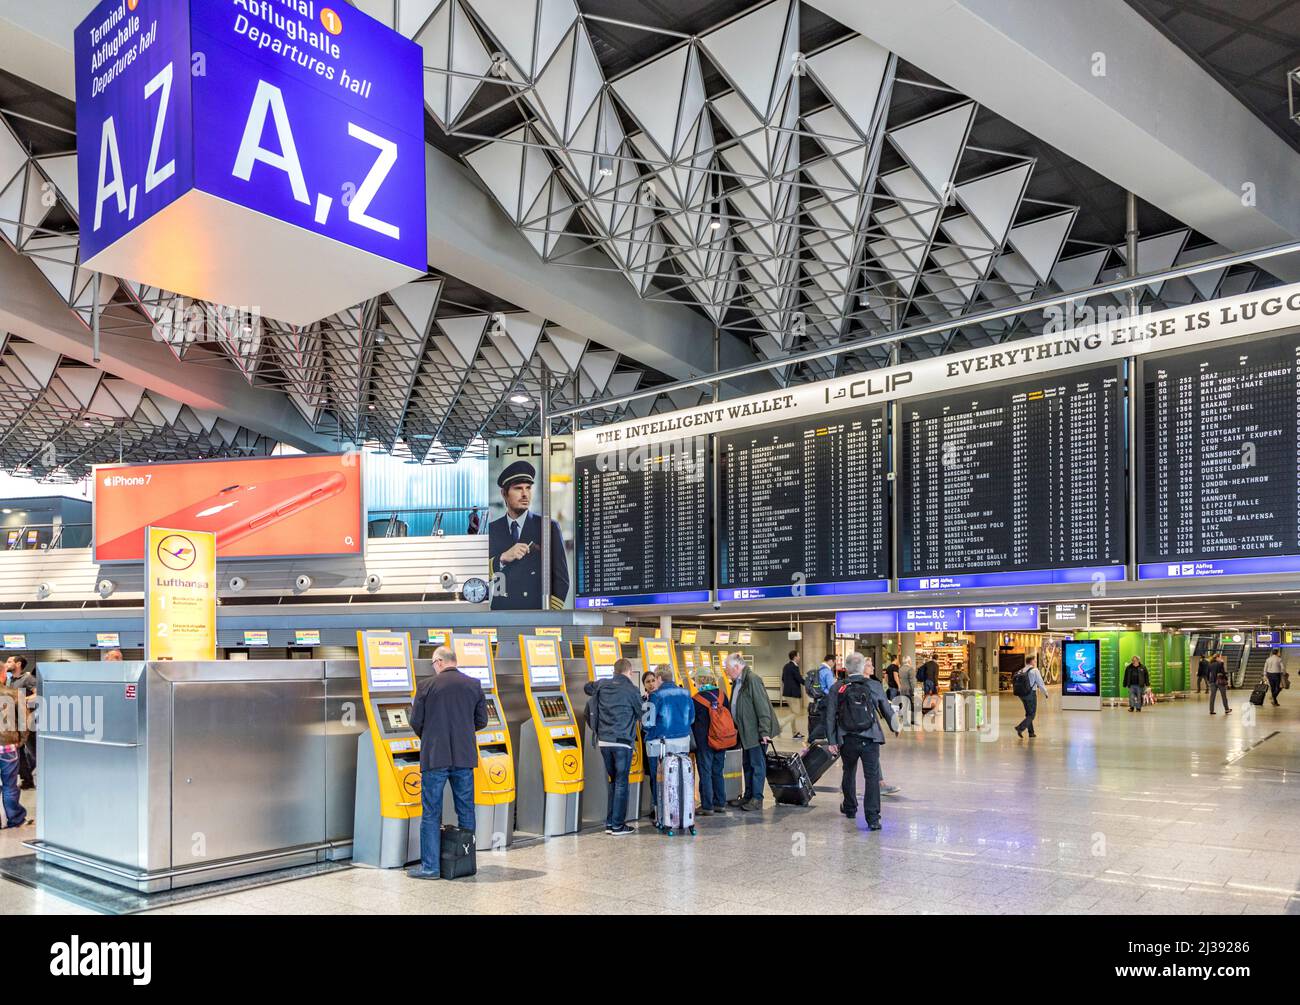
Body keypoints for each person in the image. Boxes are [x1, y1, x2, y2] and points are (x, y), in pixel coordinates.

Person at [407, 645, 487, 879]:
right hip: (464, 756)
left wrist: (431, 736)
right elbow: (481, 720)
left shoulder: (426, 686)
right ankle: (466, 863)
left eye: (433, 664)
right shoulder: (474, 684)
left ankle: (430, 867)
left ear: (439, 662)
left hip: (435, 757)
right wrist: (462, 732)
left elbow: (416, 721)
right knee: (466, 810)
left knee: (431, 812)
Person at [825, 651, 900, 832]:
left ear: (847, 668)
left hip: (846, 737)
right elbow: (886, 708)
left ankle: (850, 808)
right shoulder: (873, 685)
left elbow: (829, 715)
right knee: (872, 776)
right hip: (870, 737)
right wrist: (895, 726)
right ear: (861, 668)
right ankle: (872, 818)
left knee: (848, 771)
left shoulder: (838, 687)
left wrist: (832, 740)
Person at [486, 460, 569, 611]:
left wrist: (549, 615)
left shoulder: (547, 527)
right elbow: (480, 576)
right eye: (518, 488)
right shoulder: (492, 529)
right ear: (504, 493)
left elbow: (561, 580)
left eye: (528, 488)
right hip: (501, 613)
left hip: (535, 612)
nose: (525, 494)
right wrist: (503, 558)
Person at [583, 657, 642, 835]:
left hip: (604, 741)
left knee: (613, 781)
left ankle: (610, 823)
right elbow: (641, 713)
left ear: (614, 671)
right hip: (622, 741)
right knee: (622, 783)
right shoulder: (632, 689)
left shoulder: (602, 684)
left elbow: (587, 687)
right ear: (629, 672)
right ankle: (617, 825)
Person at [724, 653, 776, 811]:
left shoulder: (752, 679)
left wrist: (764, 731)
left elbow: (763, 707)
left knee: (757, 765)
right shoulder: (737, 681)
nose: (726, 672)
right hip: (744, 731)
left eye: (727, 669)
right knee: (747, 764)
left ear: (736, 667)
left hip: (756, 732)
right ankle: (748, 796)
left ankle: (757, 798)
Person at [643, 667, 693, 823]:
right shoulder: (686, 693)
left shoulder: (655, 696)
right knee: (680, 779)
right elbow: (691, 719)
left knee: (659, 781)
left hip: (659, 745)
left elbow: (646, 723)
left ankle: (661, 816)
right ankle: (680, 813)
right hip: (683, 744)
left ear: (658, 678)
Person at [690, 675, 732, 816]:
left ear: (700, 681)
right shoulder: (722, 695)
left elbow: (691, 719)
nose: (694, 682)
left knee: (705, 773)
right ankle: (720, 803)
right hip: (721, 740)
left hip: (704, 743)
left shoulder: (696, 699)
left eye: (695, 680)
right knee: (718, 771)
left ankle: (707, 806)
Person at [0, 674, 29, 829]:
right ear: (3, 675)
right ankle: (15, 819)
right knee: (9, 785)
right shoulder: (14, 694)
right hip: (7, 746)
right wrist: (21, 741)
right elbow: (25, 721)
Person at [5, 657, 35, 790]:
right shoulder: (11, 680)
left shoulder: (27, 679)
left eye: (9, 661)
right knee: (20, 752)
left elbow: (39, 693)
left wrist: (21, 700)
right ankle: (27, 780)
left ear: (18, 664)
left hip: (29, 722)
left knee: (35, 751)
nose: (7, 664)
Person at [1013, 654, 1048, 738]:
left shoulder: (1022, 670)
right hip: (1030, 693)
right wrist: (1045, 693)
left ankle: (1031, 732)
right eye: (1035, 660)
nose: (1035, 662)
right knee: (1032, 715)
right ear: (1031, 661)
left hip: (1021, 694)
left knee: (1028, 713)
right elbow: (1040, 682)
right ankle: (1020, 728)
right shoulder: (1034, 670)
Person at [806, 654, 835, 740]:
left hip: (818, 699)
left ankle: (826, 738)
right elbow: (831, 688)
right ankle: (810, 739)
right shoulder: (827, 671)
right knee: (824, 722)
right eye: (834, 662)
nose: (833, 664)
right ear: (830, 661)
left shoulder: (819, 669)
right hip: (825, 699)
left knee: (823, 721)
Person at [780, 650, 805, 739]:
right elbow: (799, 679)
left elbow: (783, 678)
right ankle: (781, 723)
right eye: (798, 656)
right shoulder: (794, 667)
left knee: (792, 712)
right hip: (793, 693)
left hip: (787, 692)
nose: (799, 657)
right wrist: (808, 683)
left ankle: (794, 732)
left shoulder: (786, 666)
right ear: (794, 657)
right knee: (796, 712)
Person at [899, 656, 917, 725]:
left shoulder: (900, 669)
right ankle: (912, 720)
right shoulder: (910, 669)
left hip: (902, 689)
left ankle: (904, 719)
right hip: (909, 689)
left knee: (905, 704)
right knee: (912, 705)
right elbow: (912, 681)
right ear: (909, 661)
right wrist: (914, 690)